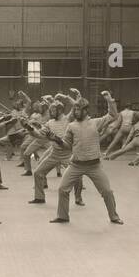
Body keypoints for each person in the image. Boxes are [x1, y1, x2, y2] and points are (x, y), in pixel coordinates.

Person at [53, 91, 123, 225]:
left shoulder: (95, 122)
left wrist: (109, 100)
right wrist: (58, 140)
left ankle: (114, 216)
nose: (75, 112)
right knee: (63, 189)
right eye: (74, 109)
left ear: (85, 110)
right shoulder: (71, 126)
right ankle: (63, 216)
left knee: (107, 191)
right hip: (76, 165)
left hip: (94, 166)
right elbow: (67, 145)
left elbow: (113, 115)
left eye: (78, 109)